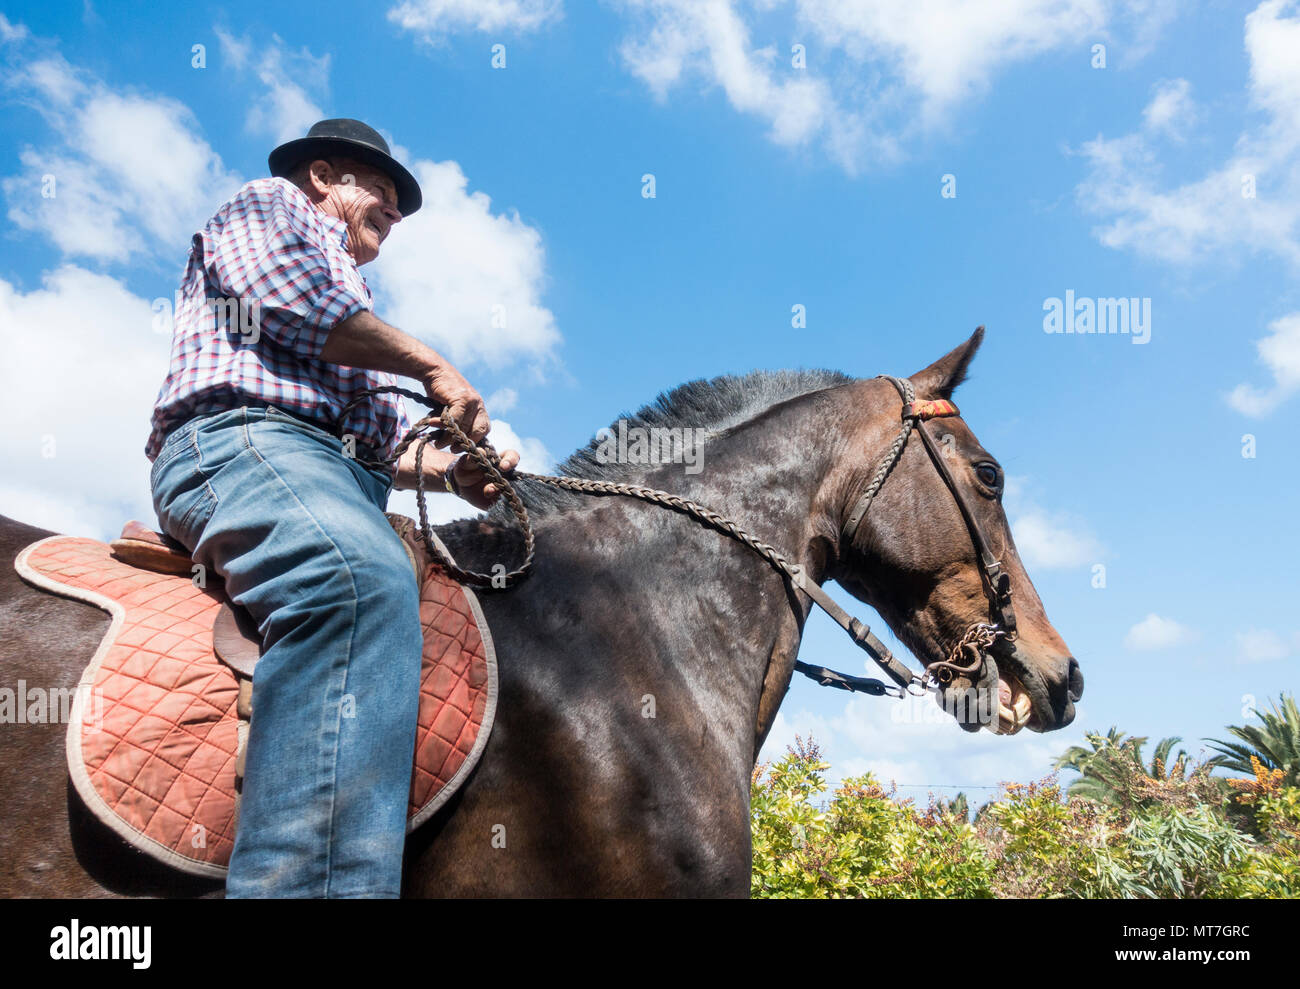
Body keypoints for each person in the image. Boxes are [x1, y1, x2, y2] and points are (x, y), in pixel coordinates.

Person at [146, 118, 518, 897]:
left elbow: (384, 442)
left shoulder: (357, 307)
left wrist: (461, 478)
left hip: (330, 472)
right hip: (239, 444)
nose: (394, 210)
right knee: (357, 577)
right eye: (381, 190)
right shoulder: (268, 208)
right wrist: (435, 364)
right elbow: (295, 303)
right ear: (324, 176)